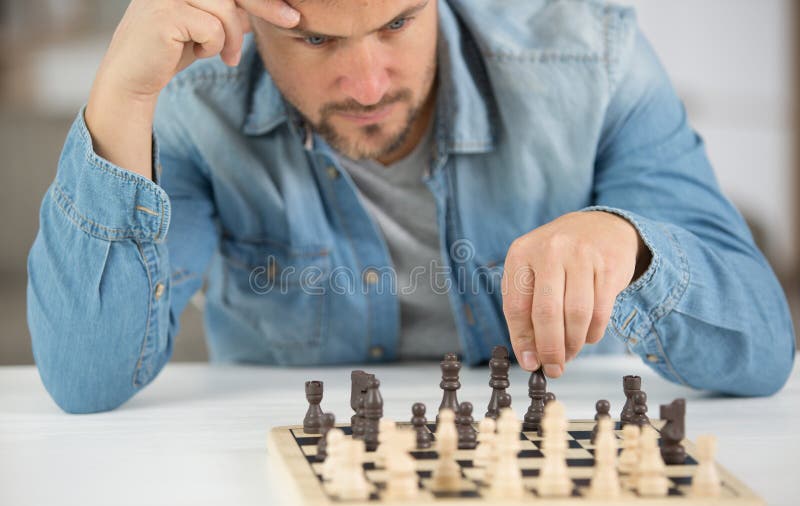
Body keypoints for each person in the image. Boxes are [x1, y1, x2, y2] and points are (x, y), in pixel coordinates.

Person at [27, 0, 795, 414]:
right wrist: (121, 95)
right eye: (320, 40)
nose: (368, 84)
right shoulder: (196, 101)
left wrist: (630, 242)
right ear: (247, 15)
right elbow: (86, 377)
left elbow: (763, 348)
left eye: (398, 22)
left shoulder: (596, 58)